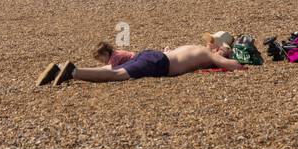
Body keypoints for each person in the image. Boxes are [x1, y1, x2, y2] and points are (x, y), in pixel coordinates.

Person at [37, 43, 246, 86]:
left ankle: (58, 71)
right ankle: (73, 72)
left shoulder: (194, 47)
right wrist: (240, 61)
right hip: (159, 63)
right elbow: (233, 66)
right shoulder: (207, 53)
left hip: (151, 55)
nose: (223, 53)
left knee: (113, 69)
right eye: (224, 49)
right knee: (119, 76)